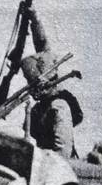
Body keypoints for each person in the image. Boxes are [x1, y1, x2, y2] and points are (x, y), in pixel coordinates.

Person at [20, 10, 82, 158]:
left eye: (35, 84)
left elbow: (62, 152)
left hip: (56, 168)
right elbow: (42, 45)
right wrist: (34, 19)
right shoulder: (40, 108)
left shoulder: (58, 107)